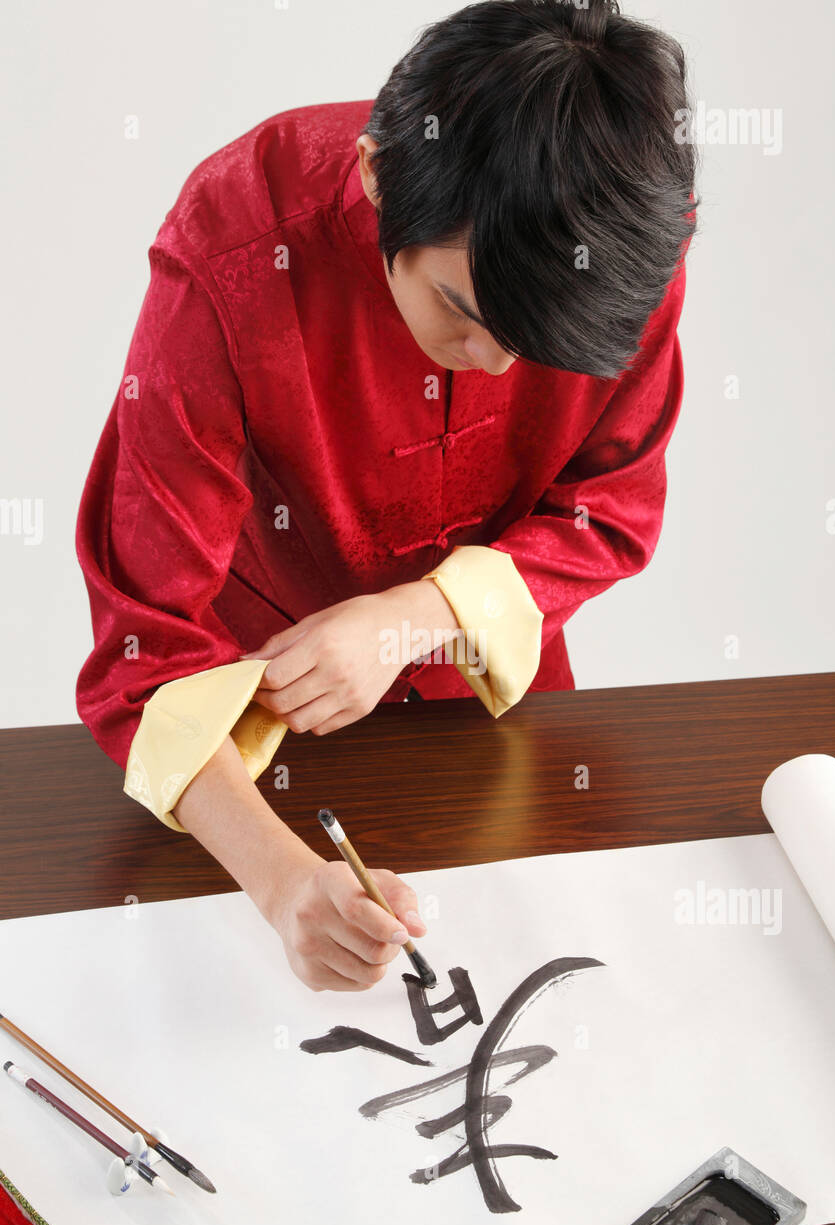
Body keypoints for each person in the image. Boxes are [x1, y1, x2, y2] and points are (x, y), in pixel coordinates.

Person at [75, 0, 697, 992]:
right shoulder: (234, 245)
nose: (497, 365)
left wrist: (418, 618)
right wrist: (283, 886)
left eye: (536, 343)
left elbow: (609, 509)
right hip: (258, 721)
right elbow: (142, 650)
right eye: (462, 310)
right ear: (375, 178)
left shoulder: (621, 246)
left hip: (496, 701)